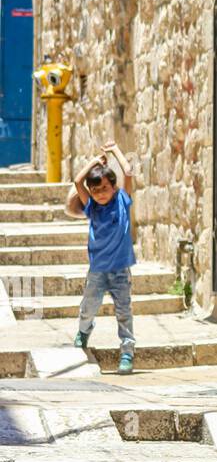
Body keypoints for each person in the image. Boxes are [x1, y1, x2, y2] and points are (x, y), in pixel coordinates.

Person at [66, 142, 135, 375]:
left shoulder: (122, 201)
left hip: (120, 270)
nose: (100, 194)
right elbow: (77, 181)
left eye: (104, 188)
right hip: (97, 270)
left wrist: (115, 150)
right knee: (88, 307)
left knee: (124, 312)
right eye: (95, 191)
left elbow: (128, 172)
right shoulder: (92, 208)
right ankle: (84, 332)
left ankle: (127, 352)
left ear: (113, 187)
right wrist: (95, 161)